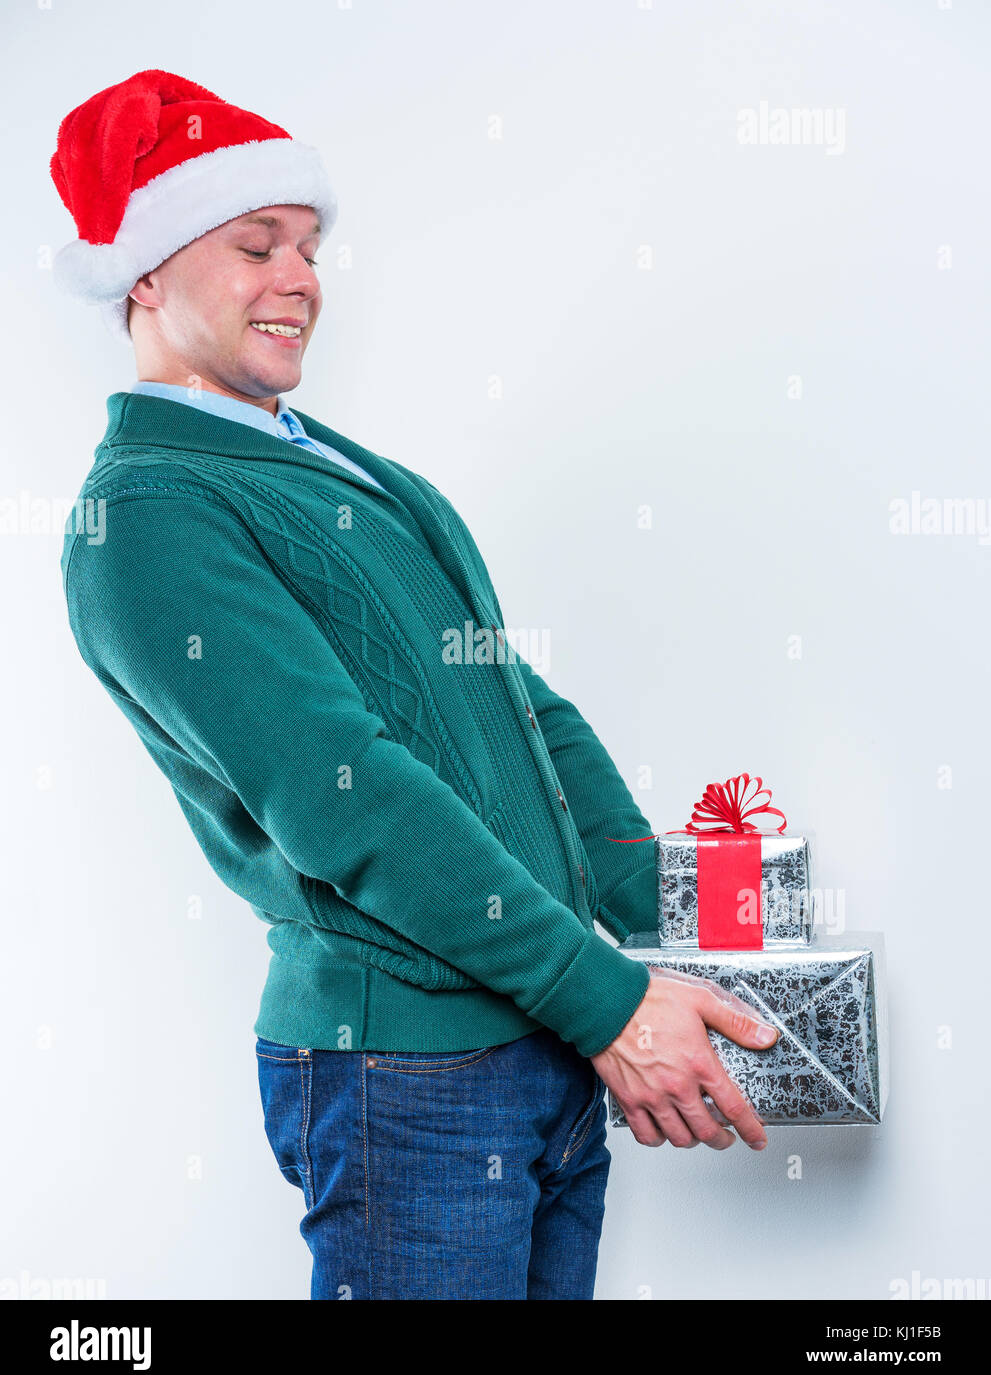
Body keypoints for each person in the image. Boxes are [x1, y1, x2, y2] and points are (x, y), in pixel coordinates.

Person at [52, 69, 779, 1302]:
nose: (301, 279)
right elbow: (350, 800)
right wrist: (608, 999)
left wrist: (690, 918)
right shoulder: (150, 517)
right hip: (410, 1071)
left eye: (309, 246)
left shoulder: (335, 466)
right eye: (255, 244)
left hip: (538, 1039)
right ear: (146, 275)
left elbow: (515, 710)